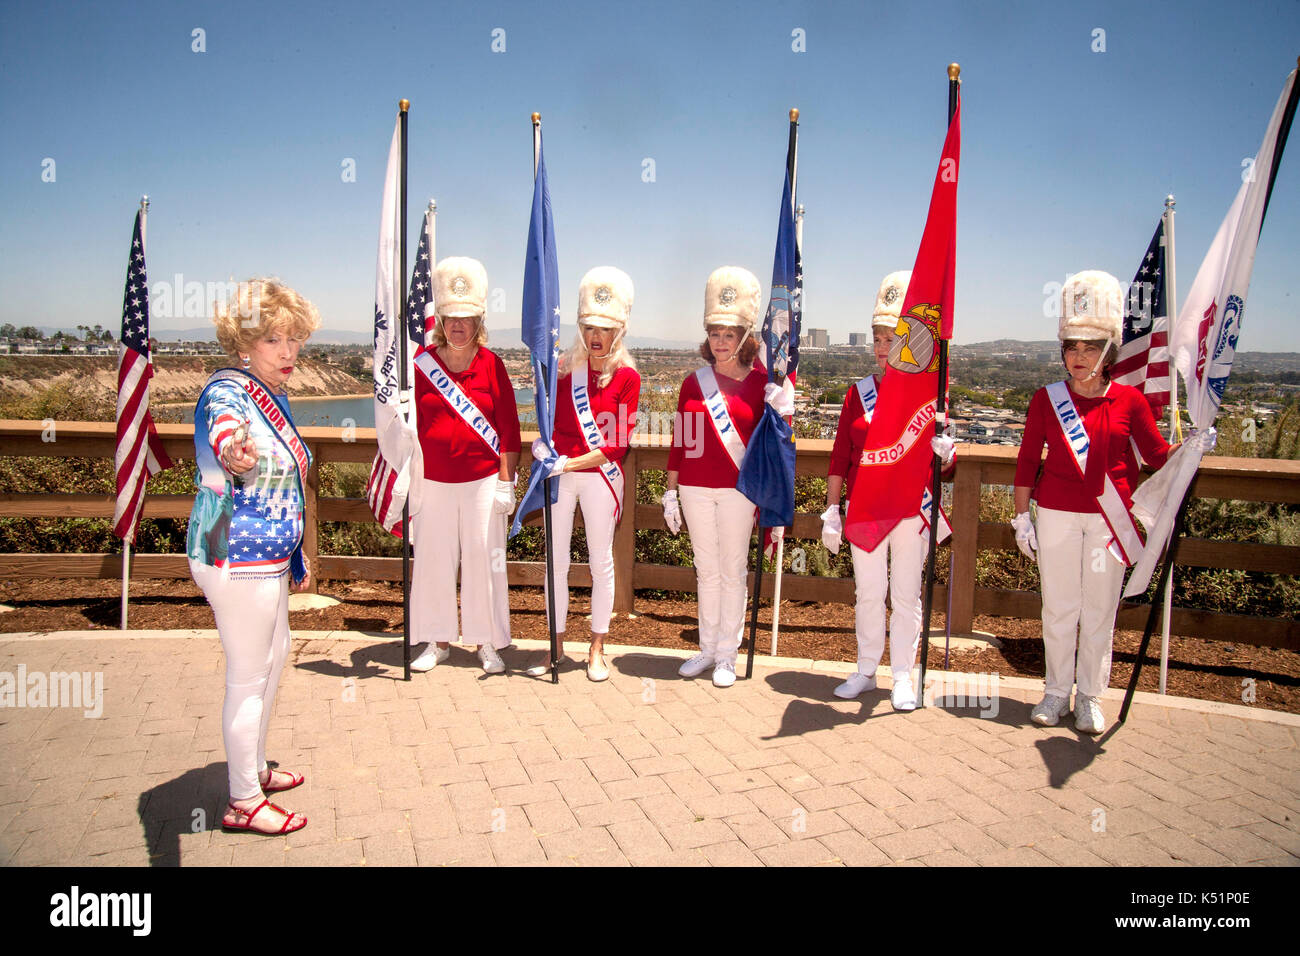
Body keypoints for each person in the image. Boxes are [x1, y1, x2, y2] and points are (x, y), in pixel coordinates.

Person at [1012, 270, 1213, 734]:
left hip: (1109, 521)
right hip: (1057, 515)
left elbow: (1160, 459)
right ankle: (1055, 692)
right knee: (1059, 607)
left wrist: (1195, 447)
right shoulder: (1046, 400)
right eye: (1071, 348)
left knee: (1099, 610)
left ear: (1107, 355)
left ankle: (1089, 698)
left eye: (1089, 349)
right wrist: (1022, 516)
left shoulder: (1130, 402)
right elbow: (1026, 463)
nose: (1078, 358)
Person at [187, 278, 318, 835]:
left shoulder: (271, 394)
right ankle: (242, 800)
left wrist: (295, 553)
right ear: (244, 345)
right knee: (247, 675)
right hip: (235, 557)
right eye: (273, 340)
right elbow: (225, 430)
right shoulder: (229, 392)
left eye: (294, 340)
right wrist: (232, 450)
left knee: (276, 656)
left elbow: (282, 486)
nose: (288, 352)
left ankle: (253, 769)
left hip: (265, 557)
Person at [821, 271, 955, 711]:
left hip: (909, 510)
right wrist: (831, 509)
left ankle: (902, 675)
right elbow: (841, 455)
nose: (881, 348)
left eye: (890, 339)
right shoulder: (857, 394)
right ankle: (865, 668)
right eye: (877, 338)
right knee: (867, 592)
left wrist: (945, 451)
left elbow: (945, 467)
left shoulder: (931, 395)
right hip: (865, 508)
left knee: (905, 595)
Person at [663, 266, 779, 688]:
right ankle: (707, 648)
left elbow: (773, 447)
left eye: (729, 335)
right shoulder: (694, 384)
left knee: (732, 571)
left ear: (745, 338)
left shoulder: (764, 384)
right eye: (715, 334)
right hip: (694, 487)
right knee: (705, 570)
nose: (721, 342)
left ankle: (728, 654)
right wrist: (671, 490)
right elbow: (683, 440)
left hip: (738, 491)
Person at [408, 257, 521, 674]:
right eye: (451, 318)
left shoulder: (492, 364)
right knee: (434, 562)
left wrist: (506, 482)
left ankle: (485, 641)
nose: (458, 325)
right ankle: (437, 642)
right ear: (439, 319)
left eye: (467, 318)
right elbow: (408, 425)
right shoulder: (421, 363)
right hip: (433, 481)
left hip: (482, 481)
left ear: (479, 321)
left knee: (483, 561)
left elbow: (509, 428)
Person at [530, 267, 641, 681]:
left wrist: (568, 463)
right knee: (554, 563)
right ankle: (555, 646)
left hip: (598, 477)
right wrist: (544, 449)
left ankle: (597, 647)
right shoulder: (562, 370)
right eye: (589, 326)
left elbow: (615, 445)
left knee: (600, 563)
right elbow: (549, 424)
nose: (596, 336)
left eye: (605, 328)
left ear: (620, 331)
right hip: (562, 473)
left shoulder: (628, 378)